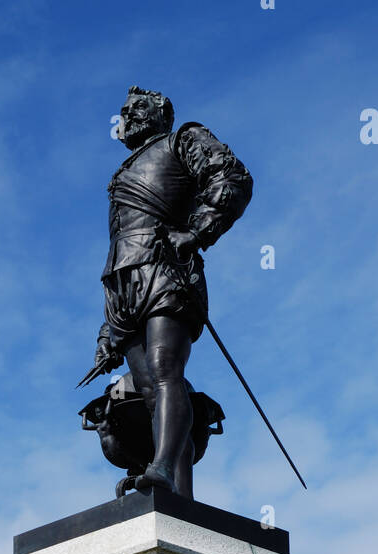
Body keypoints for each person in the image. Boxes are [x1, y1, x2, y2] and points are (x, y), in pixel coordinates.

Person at [88, 86, 252, 498]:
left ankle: (163, 467)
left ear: (162, 115)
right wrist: (108, 328)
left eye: (140, 107)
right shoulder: (120, 175)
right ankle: (176, 492)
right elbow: (119, 240)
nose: (129, 114)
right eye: (126, 110)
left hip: (167, 271)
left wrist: (196, 231)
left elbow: (231, 177)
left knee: (165, 372)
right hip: (124, 284)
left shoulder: (183, 140)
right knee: (147, 391)